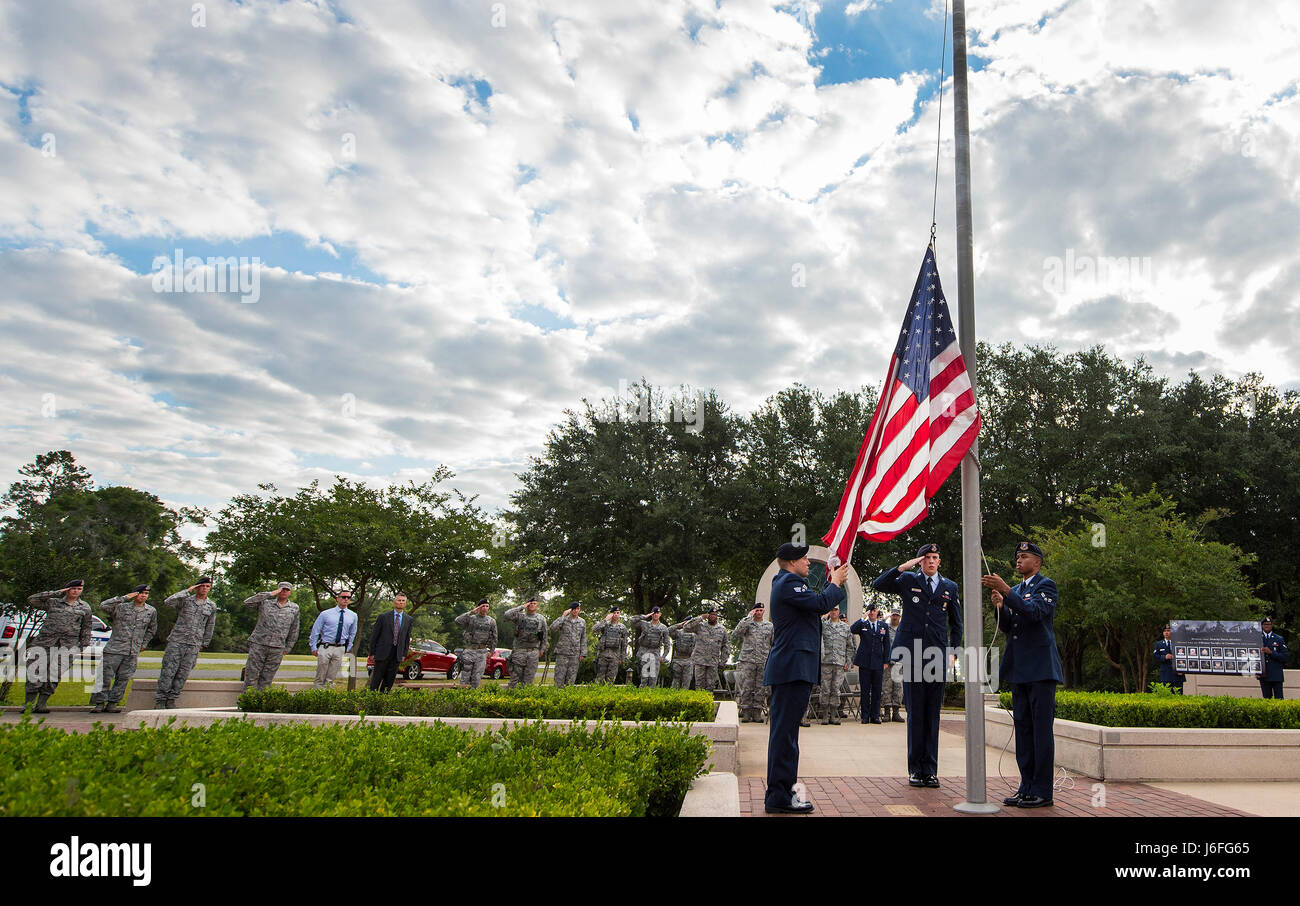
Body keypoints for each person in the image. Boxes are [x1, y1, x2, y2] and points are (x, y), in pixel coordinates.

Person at [764, 543, 849, 814]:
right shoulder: (788, 583)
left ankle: (783, 792)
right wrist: (835, 582)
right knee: (785, 736)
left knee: (787, 735)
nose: (808, 562)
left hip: (794, 669)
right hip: (792, 669)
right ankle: (778, 796)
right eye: (803, 558)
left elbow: (814, 606)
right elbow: (821, 603)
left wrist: (832, 582)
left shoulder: (789, 583)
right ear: (790, 562)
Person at [874, 543, 962, 789]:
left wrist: (953, 653)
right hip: (912, 654)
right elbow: (879, 585)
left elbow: (956, 624)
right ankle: (915, 769)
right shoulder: (908, 579)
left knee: (932, 714)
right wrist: (903, 567)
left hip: (936, 656)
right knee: (915, 713)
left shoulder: (950, 587)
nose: (931, 561)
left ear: (939, 561)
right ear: (920, 561)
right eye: (926, 558)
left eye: (935, 557)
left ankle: (930, 770)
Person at [983, 541, 1063, 808]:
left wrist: (1006, 592)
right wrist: (1001, 607)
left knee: (1041, 732)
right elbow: (1009, 626)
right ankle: (1026, 786)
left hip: (1040, 669)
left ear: (1037, 562)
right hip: (1019, 669)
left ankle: (1043, 790)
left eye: (1024, 556)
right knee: (1024, 731)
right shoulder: (1016, 590)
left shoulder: (1046, 586)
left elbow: (1035, 613)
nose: (1019, 560)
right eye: (1017, 556)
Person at [24, 580, 95, 713]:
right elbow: (32, 600)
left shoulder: (85, 607)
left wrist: (83, 645)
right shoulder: (53, 602)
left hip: (68, 646)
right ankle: (28, 705)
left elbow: (86, 627)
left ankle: (41, 705)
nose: (76, 591)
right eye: (73, 588)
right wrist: (56, 592)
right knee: (35, 672)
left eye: (79, 589)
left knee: (54, 675)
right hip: (44, 643)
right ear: (66, 589)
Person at [92, 585, 158, 712]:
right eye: (140, 593)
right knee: (105, 677)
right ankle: (99, 703)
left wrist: (143, 644)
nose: (143, 595)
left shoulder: (151, 611)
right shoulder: (121, 607)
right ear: (134, 594)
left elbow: (151, 629)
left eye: (146, 593)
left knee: (123, 678)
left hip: (132, 651)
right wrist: (125, 597)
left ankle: (113, 703)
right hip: (114, 649)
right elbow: (103, 606)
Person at [156, 578, 216, 709]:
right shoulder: (185, 600)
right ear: (196, 587)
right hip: (177, 641)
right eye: (202, 586)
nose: (205, 588)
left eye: (207, 586)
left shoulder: (211, 606)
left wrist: (204, 643)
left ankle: (171, 699)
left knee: (183, 673)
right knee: (168, 671)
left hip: (194, 644)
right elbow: (168, 602)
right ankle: (160, 700)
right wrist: (187, 590)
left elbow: (210, 625)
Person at [243, 582, 302, 692]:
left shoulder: (294, 608)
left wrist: (288, 647)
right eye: (282, 589)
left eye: (287, 590)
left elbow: (294, 629)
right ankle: (247, 703)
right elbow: (247, 602)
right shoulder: (265, 603)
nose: (284, 591)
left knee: (267, 679)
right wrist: (270, 594)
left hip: (277, 647)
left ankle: (261, 705)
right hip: (259, 644)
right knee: (251, 675)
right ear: (277, 590)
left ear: (290, 592)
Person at [809, 604, 854, 725]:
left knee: (836, 689)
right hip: (826, 662)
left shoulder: (845, 627)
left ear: (839, 611)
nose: (834, 612)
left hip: (839, 663)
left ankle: (833, 714)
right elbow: (815, 624)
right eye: (832, 610)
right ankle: (824, 714)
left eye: (836, 610)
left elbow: (850, 647)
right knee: (825, 689)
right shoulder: (823, 625)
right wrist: (824, 616)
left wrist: (847, 661)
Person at [731, 604, 773, 722]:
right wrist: (748, 617)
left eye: (761, 610)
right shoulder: (747, 624)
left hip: (763, 660)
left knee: (760, 688)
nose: (759, 612)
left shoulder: (769, 626)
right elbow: (736, 634)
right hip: (748, 660)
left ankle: (757, 712)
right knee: (746, 687)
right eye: (757, 610)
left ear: (764, 611)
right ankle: (745, 712)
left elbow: (773, 643)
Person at [308, 589, 357, 689]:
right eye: (343, 597)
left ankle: (327, 698)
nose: (346, 599)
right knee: (320, 675)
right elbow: (315, 631)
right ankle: (316, 697)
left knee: (331, 677)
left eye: (348, 597)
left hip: (340, 648)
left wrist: (348, 647)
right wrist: (313, 646)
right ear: (337, 598)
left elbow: (352, 633)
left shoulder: (353, 615)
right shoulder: (325, 614)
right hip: (326, 646)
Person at [851, 604, 889, 723]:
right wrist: (863, 616)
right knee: (865, 690)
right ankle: (865, 716)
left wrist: (886, 661)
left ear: (877, 612)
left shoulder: (883, 626)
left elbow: (886, 645)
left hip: (878, 662)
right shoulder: (863, 624)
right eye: (870, 611)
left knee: (877, 690)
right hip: (865, 662)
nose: (872, 613)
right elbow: (852, 629)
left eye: (874, 611)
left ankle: (875, 715)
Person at [678, 603, 728, 693]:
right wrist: (700, 618)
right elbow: (686, 627)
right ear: (708, 615)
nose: (713, 616)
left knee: (710, 685)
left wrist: (723, 661)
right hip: (700, 661)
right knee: (699, 685)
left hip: (713, 661)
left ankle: (708, 704)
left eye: (715, 615)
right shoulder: (700, 626)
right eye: (711, 614)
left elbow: (725, 646)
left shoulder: (722, 629)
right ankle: (700, 704)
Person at [368, 594, 414, 692]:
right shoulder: (383, 617)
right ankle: (371, 699)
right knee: (376, 679)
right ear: (394, 602)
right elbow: (375, 635)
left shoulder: (408, 619)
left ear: (405, 603)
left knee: (389, 680)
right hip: (382, 653)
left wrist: (403, 654)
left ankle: (384, 700)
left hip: (396, 654)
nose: (401, 602)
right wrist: (372, 652)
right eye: (398, 600)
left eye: (403, 601)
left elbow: (406, 638)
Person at [503, 596, 548, 687]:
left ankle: (525, 698)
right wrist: (521, 607)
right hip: (520, 650)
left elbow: (544, 635)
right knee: (515, 677)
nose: (532, 605)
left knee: (529, 679)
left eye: (534, 604)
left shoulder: (541, 619)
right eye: (530, 603)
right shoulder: (520, 616)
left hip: (533, 651)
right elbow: (507, 615)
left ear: (537, 606)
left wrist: (542, 649)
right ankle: (510, 697)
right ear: (527, 604)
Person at [454, 598, 498, 689]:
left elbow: (494, 637)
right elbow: (457, 621)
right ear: (478, 607)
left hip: (482, 651)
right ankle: (461, 695)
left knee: (477, 676)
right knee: (465, 675)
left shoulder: (491, 621)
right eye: (483, 606)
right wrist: (471, 612)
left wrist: (491, 651)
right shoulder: (471, 618)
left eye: (487, 606)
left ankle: (473, 697)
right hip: (470, 650)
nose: (485, 608)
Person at [629, 607, 670, 687]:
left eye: (657, 613)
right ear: (651, 614)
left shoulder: (663, 628)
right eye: (654, 613)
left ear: (660, 614)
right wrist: (644, 616)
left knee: (653, 677)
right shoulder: (645, 624)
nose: (655, 615)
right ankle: (642, 696)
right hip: (644, 652)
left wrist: (664, 656)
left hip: (655, 652)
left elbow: (667, 643)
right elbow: (631, 620)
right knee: (644, 677)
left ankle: (651, 697)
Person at [549, 602, 587, 688]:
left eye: (577, 609)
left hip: (575, 654)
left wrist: (583, 653)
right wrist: (562, 616)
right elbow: (552, 628)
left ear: (579, 610)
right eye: (573, 609)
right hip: (562, 653)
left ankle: (568, 697)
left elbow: (583, 638)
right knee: (559, 677)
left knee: (571, 678)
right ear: (570, 610)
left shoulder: (582, 622)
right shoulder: (564, 620)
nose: (575, 611)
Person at [592, 606, 630, 683]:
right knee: (600, 677)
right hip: (603, 653)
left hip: (615, 655)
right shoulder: (605, 624)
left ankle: (608, 694)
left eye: (618, 613)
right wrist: (605, 620)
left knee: (611, 678)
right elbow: (594, 629)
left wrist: (622, 658)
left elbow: (624, 644)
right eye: (614, 613)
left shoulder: (622, 627)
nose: (616, 614)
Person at [881, 606, 905, 721]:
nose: (895, 617)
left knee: (898, 687)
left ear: (899, 617)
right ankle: (886, 713)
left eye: (897, 615)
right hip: (888, 662)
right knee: (887, 687)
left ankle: (896, 712)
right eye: (893, 615)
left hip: (899, 663)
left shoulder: (903, 629)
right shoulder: (885, 628)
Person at [1260, 617, 1288, 699]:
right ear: (1262, 626)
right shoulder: (1258, 638)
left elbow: (1285, 656)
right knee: (1266, 699)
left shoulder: (1278, 639)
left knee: (1279, 699)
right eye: (1265, 624)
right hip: (1264, 675)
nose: (1267, 626)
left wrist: (1271, 653)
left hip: (1276, 674)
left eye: (1269, 624)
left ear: (1272, 626)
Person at [1152, 624, 1184, 694]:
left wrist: (1182, 669)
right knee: (1167, 696)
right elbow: (1155, 657)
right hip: (1166, 675)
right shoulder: (1159, 644)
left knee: (1178, 696)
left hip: (1178, 675)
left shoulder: (1179, 642)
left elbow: (1184, 657)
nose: (1166, 632)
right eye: (1164, 631)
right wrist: (1164, 657)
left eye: (1168, 631)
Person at [668, 620, 696, 689]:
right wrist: (678, 625)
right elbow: (668, 631)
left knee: (686, 682)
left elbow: (697, 648)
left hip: (688, 660)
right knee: (675, 682)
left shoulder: (694, 635)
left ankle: (683, 698)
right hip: (678, 660)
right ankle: (673, 698)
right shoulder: (678, 633)